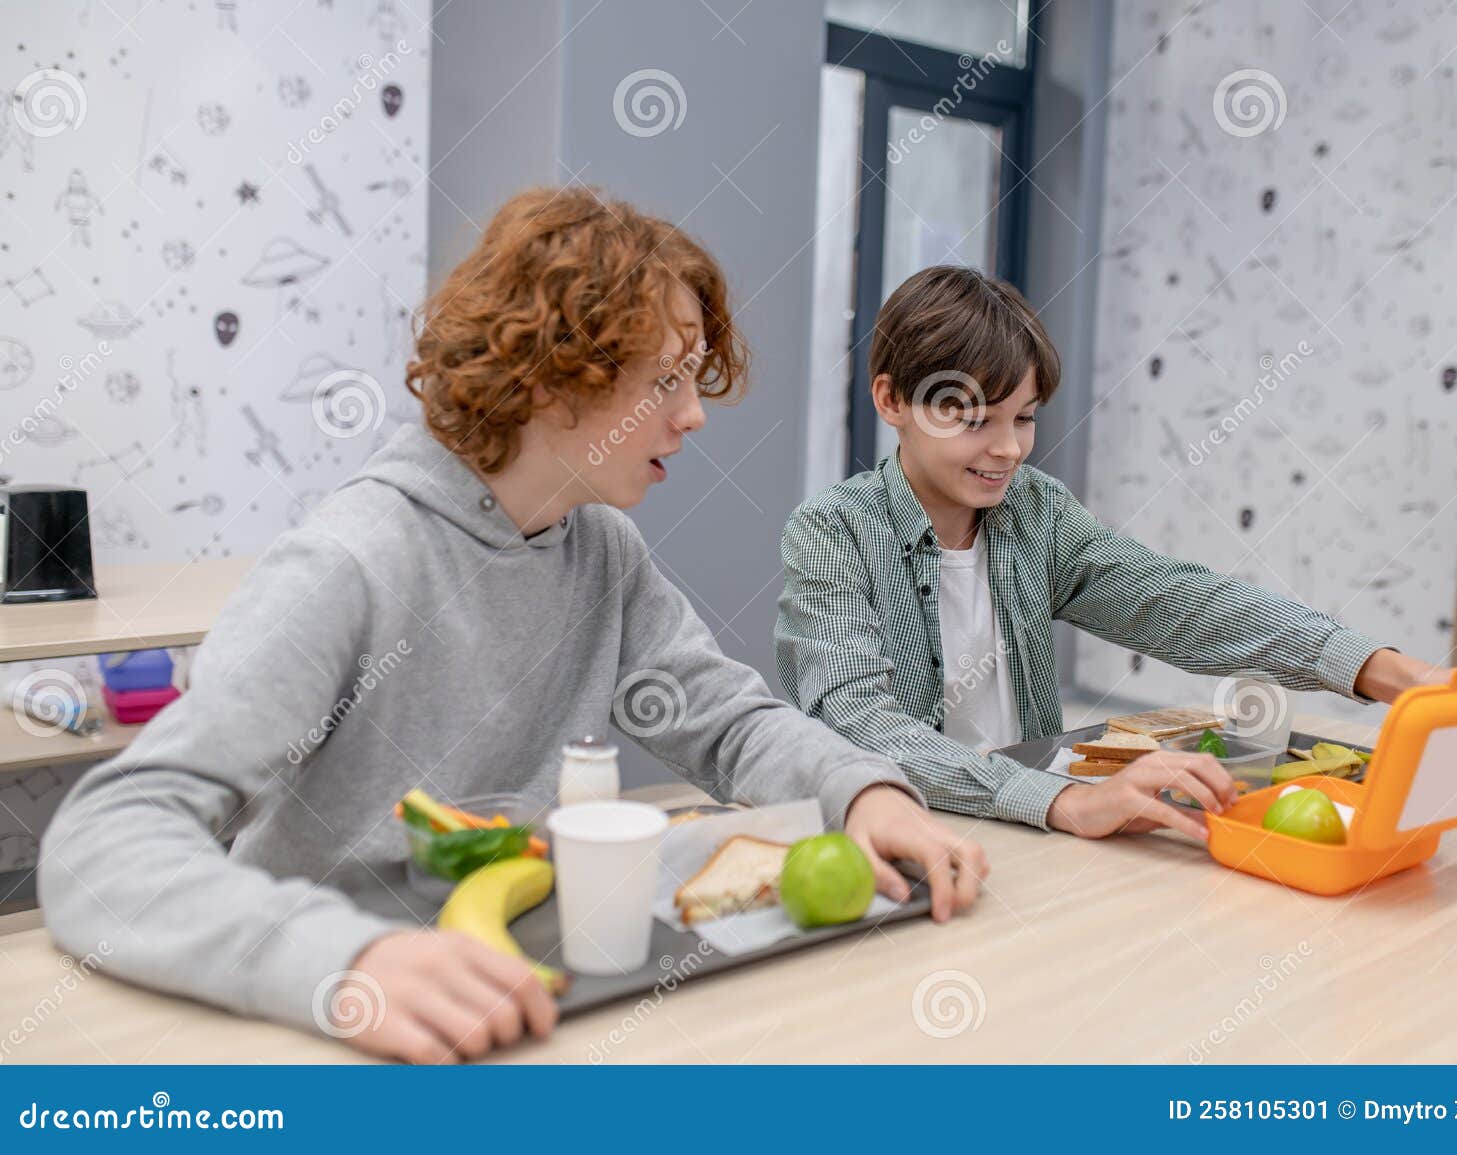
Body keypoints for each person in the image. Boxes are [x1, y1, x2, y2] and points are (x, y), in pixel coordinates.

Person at [39, 188, 988, 1065]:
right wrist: (344, 959)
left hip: (518, 998)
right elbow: (106, 840)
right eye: (666, 382)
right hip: (344, 1023)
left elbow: (728, 722)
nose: (696, 416)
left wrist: (860, 794)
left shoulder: (598, 549)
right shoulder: (351, 562)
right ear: (550, 377)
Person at [775, 265, 1457, 842]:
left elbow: (1177, 603)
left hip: (1037, 830)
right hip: (905, 832)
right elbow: (859, 725)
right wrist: (1059, 799)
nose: (1007, 449)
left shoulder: (1034, 514)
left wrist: (1396, 673)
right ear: (891, 401)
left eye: (1024, 417)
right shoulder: (833, 532)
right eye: (972, 418)